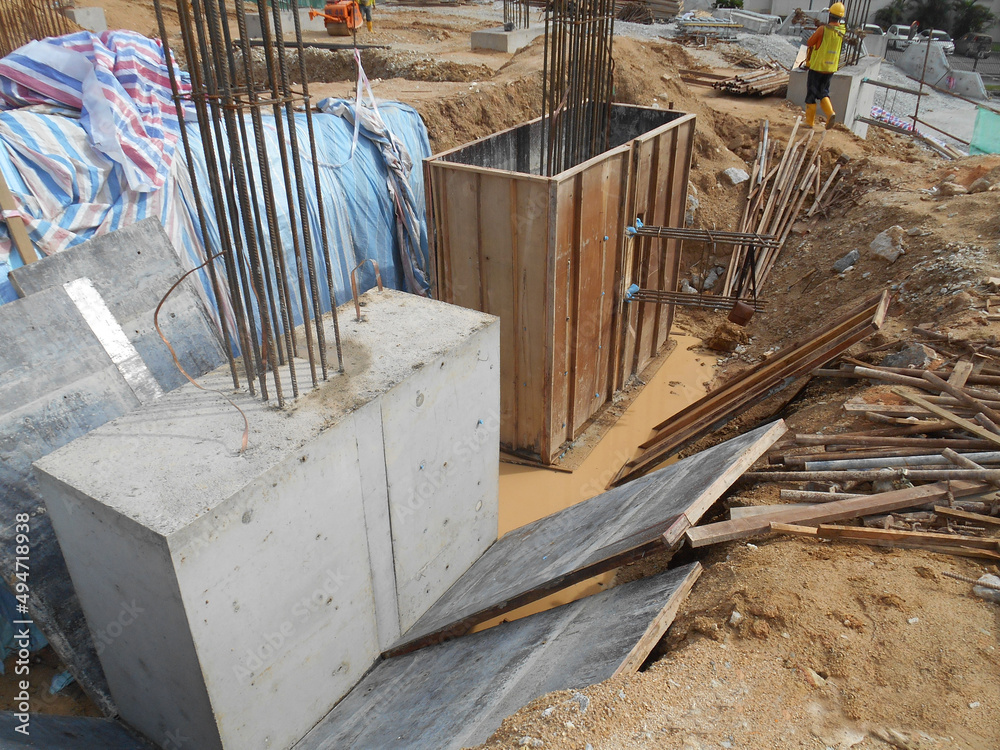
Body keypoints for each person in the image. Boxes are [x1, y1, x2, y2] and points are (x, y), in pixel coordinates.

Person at [802, 2, 846, 128]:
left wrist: (819, 28)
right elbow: (832, 30)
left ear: (830, 15)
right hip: (830, 68)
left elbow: (810, 42)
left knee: (811, 94)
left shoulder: (823, 29)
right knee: (823, 92)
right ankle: (830, 113)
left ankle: (809, 122)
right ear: (841, 17)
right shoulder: (842, 31)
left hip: (817, 67)